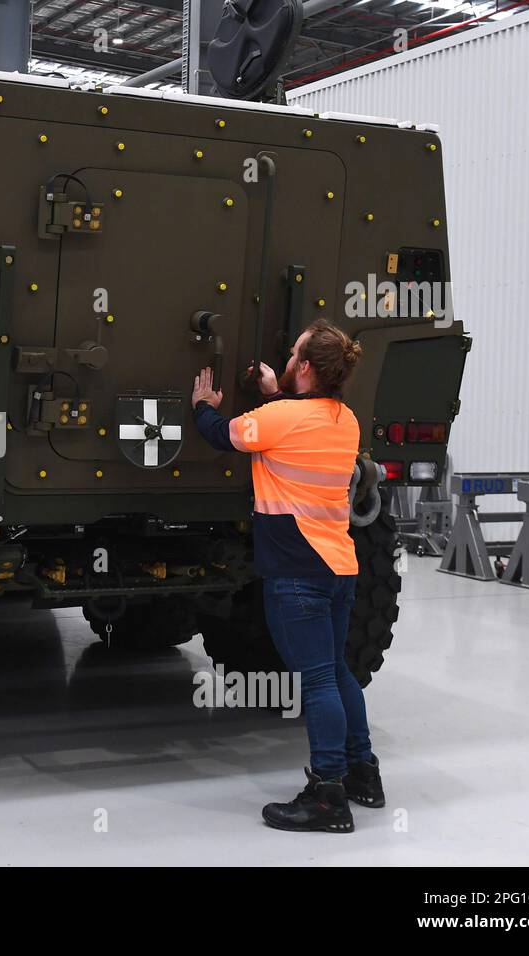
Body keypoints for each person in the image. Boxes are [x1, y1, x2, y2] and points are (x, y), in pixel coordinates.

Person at [191, 319, 381, 834]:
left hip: (297, 574)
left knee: (317, 680)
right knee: (337, 671)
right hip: (339, 567)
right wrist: (277, 393)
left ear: (304, 367)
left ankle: (328, 794)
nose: (289, 356)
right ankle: (364, 772)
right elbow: (298, 422)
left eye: (294, 352)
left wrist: (203, 404)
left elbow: (222, 435)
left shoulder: (278, 418)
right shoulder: (346, 420)